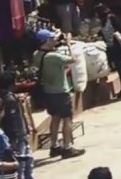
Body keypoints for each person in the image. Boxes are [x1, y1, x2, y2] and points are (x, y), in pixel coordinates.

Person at [34, 29, 84, 158]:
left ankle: (54, 146)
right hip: (61, 92)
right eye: (52, 39)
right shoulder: (54, 56)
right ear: (46, 41)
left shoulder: (36, 55)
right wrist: (68, 44)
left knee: (55, 118)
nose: (55, 40)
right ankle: (67, 147)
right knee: (67, 119)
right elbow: (73, 59)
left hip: (49, 92)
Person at [97, 5, 121, 100]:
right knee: (119, 68)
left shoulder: (111, 18)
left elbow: (120, 28)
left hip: (117, 46)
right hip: (111, 47)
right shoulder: (103, 21)